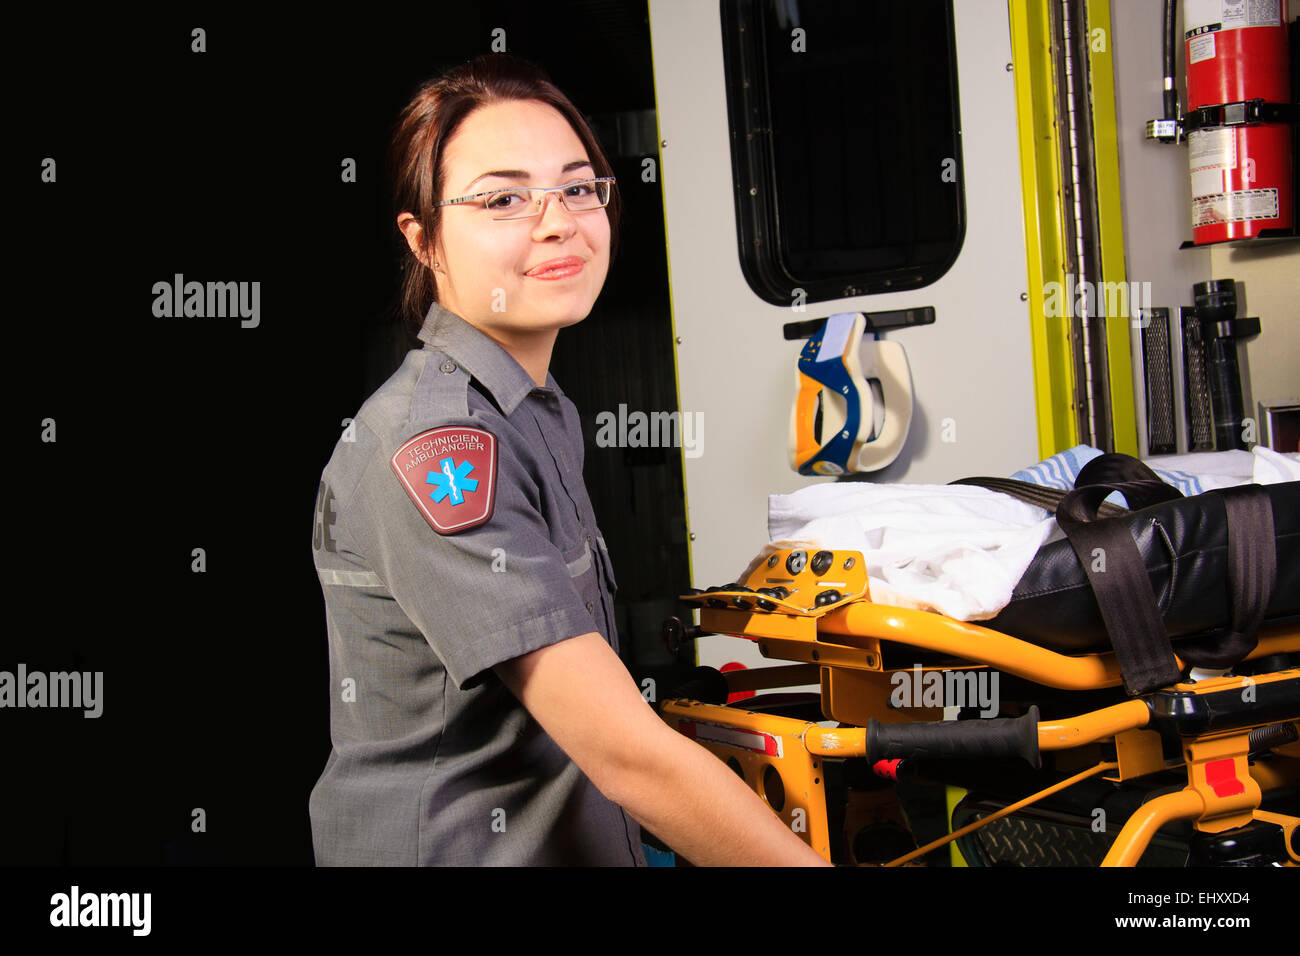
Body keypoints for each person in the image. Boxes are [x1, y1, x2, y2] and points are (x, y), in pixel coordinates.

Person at [309, 53, 829, 866]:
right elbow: (628, 757)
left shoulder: (529, 407)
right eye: (504, 198)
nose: (558, 222)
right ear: (424, 238)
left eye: (579, 187)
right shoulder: (436, 446)